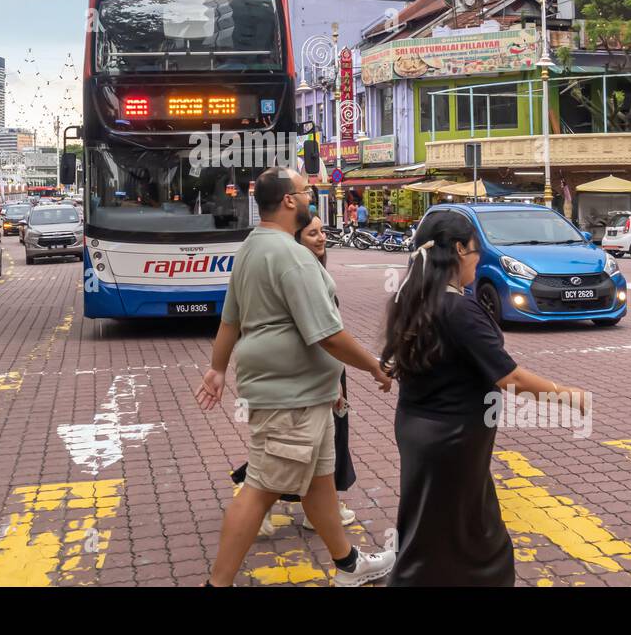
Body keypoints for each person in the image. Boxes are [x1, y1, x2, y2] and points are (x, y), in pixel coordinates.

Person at [196, 167, 395, 587]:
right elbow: (327, 334)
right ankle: (218, 583)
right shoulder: (291, 257)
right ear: (289, 200)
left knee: (319, 483)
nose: (312, 196)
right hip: (288, 398)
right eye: (307, 191)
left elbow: (230, 320)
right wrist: (375, 365)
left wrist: (217, 368)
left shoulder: (253, 246)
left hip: (305, 394)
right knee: (261, 488)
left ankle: (348, 565)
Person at [383, 210, 589, 586]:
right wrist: (567, 395)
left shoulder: (410, 297)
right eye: (476, 251)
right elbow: (509, 376)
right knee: (469, 541)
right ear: (459, 249)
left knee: (441, 528)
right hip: (452, 438)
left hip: (422, 430)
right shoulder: (459, 309)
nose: (478, 259)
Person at [228, 214, 358, 535]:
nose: (321, 238)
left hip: (317, 372)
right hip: (306, 375)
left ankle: (329, 528)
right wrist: (368, 367)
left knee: (310, 447)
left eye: (322, 232)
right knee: (289, 446)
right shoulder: (294, 272)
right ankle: (259, 508)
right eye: (312, 233)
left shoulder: (311, 271)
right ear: (295, 241)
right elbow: (321, 335)